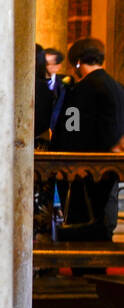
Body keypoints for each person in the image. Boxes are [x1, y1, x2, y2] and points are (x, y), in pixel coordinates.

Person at [52, 37, 124, 241]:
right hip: (110, 165)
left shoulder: (82, 90)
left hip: (85, 168)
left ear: (77, 62)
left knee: (83, 224)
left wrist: (61, 151)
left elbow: (71, 127)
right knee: (104, 223)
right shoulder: (118, 87)